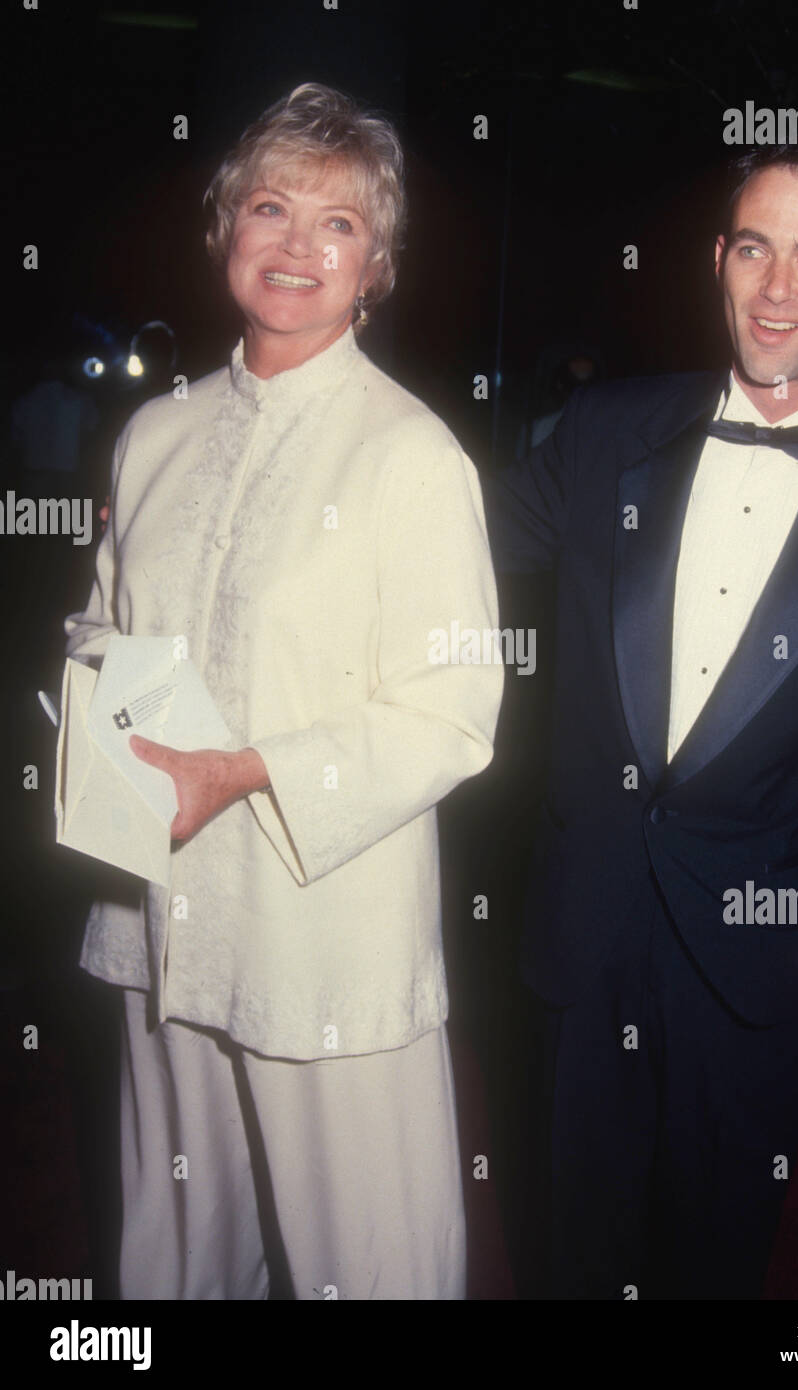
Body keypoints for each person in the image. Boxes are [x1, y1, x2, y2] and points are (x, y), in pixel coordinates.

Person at [484, 144, 798, 1299]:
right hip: (582, 939)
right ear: (716, 261)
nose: (777, 287)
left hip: (760, 972)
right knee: (565, 1259)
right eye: (753, 248)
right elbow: (449, 558)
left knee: (714, 1264)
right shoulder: (603, 431)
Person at [64, 83, 503, 1300]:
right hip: (163, 915)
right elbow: (107, 626)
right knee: (173, 1258)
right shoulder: (152, 432)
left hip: (326, 938)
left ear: (379, 268)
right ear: (224, 233)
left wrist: (245, 770)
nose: (297, 245)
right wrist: (92, 710)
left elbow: (453, 708)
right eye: (269, 206)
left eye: (340, 224)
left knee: (365, 1268)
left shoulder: (411, 454)